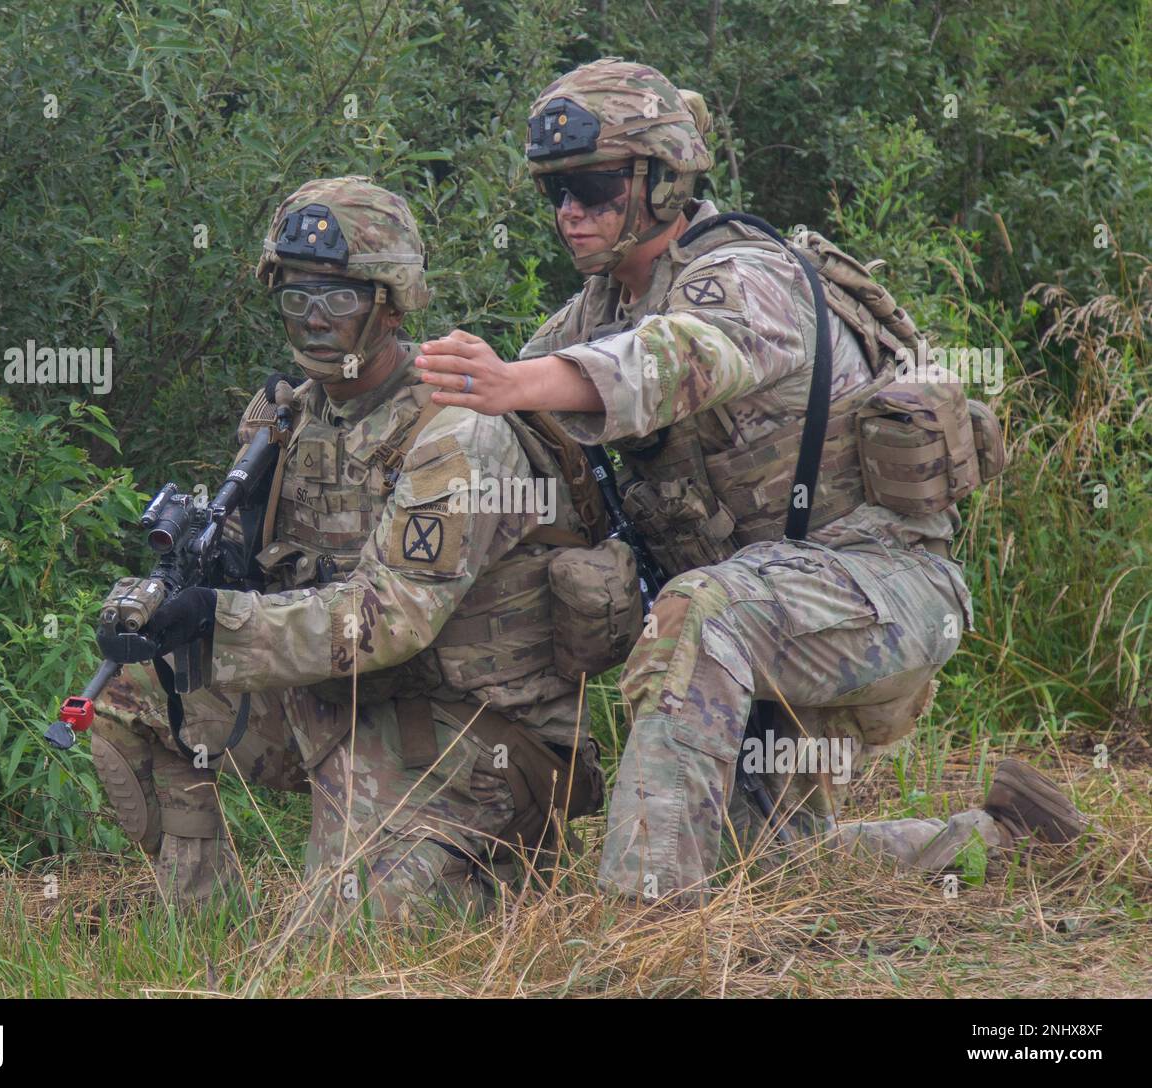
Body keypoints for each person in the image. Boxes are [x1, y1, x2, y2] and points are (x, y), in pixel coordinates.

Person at [416, 59, 1084, 906]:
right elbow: (513, 393)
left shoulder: (746, 275)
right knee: (765, 870)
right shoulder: (605, 304)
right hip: (771, 611)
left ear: (660, 182)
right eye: (554, 194)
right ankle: (1003, 837)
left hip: (881, 587)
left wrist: (521, 382)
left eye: (591, 186)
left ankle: (648, 924)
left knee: (698, 612)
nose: (569, 213)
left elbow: (680, 359)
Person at [89, 176, 603, 926]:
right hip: (350, 709)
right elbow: (253, 565)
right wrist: (171, 609)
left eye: (338, 299)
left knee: (335, 948)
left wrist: (217, 620)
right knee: (130, 695)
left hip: (481, 734)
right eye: (296, 298)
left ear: (390, 302)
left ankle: (499, 880)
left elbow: (392, 616)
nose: (313, 321)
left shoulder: (455, 429)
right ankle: (202, 925)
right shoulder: (287, 418)